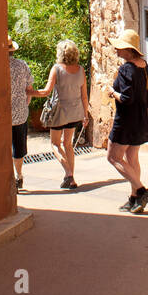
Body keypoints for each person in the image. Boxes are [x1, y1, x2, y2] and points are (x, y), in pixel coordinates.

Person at [106, 28, 148, 214]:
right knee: (132, 157)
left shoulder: (125, 69)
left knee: (113, 157)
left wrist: (113, 93)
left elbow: (126, 98)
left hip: (126, 121)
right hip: (142, 118)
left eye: (120, 48)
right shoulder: (143, 66)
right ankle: (134, 199)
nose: (117, 51)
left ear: (129, 51)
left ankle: (141, 190)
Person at [36, 40, 90, 190]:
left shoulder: (57, 69)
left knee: (55, 143)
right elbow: (84, 96)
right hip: (75, 112)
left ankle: (69, 174)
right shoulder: (80, 70)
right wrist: (85, 115)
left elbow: (47, 91)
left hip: (60, 112)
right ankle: (71, 179)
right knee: (68, 144)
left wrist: (30, 92)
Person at [9, 37, 35, 191]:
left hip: (3, 114)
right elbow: (29, 88)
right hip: (20, 112)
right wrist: (26, 103)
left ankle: (9, 178)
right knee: (18, 147)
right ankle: (19, 176)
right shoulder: (22, 65)